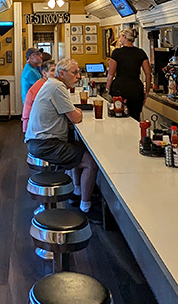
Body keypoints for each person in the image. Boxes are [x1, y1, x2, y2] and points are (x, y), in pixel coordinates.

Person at [25, 57, 99, 216]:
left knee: (80, 148)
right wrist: (76, 112)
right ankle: (86, 207)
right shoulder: (57, 87)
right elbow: (76, 117)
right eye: (75, 72)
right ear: (62, 73)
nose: (78, 76)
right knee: (91, 163)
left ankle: (77, 193)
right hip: (44, 143)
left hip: (39, 140)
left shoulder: (53, 84)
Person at [105, 28, 151, 119]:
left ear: (124, 37)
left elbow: (111, 74)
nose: (119, 39)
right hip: (136, 88)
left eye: (120, 37)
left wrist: (108, 88)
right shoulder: (140, 53)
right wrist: (147, 92)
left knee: (119, 115)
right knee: (135, 117)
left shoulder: (117, 53)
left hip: (120, 87)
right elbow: (148, 74)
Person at [21, 59, 55, 133]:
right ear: (44, 73)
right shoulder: (42, 87)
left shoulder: (43, 83)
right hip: (35, 128)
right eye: (52, 70)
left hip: (32, 125)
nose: (55, 74)